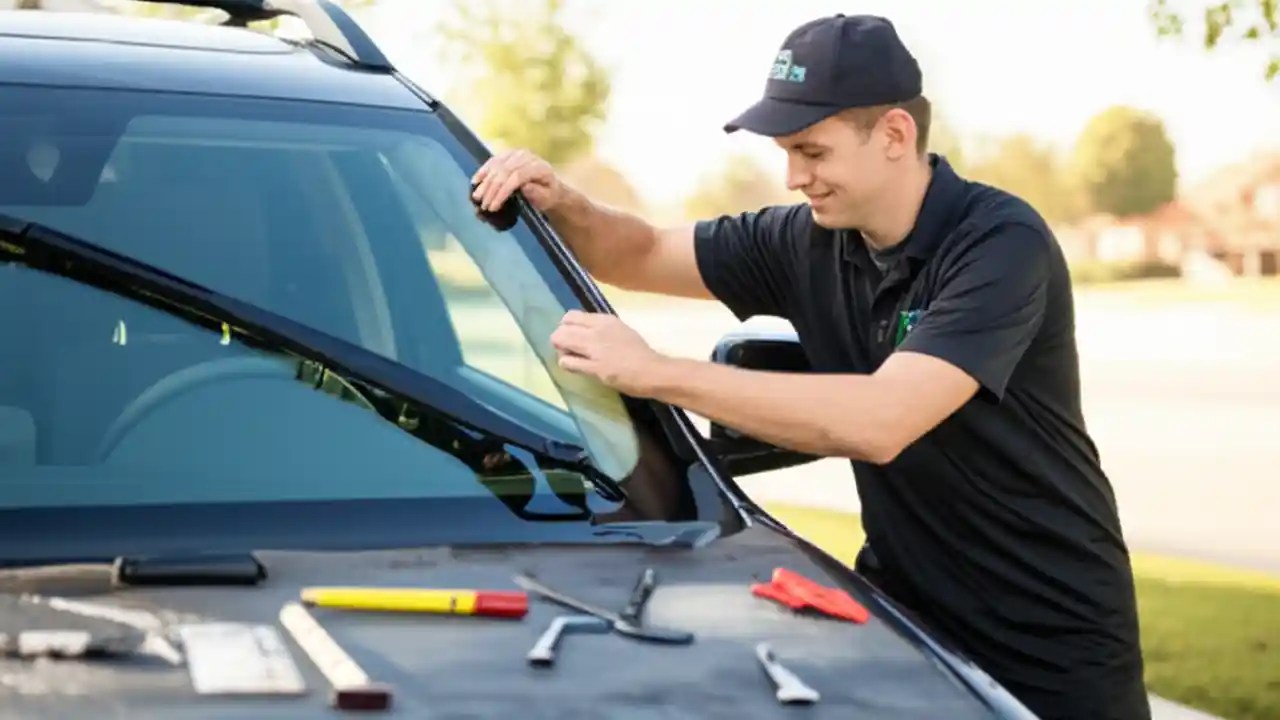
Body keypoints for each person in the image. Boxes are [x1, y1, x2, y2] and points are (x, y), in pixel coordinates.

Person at [470, 13, 1150, 720]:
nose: (795, 177)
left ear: (893, 135)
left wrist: (654, 371)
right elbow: (637, 252)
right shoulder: (807, 241)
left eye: (812, 152)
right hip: (903, 616)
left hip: (1053, 641)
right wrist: (566, 205)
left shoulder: (1000, 245)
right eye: (786, 153)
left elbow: (882, 420)